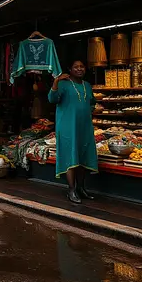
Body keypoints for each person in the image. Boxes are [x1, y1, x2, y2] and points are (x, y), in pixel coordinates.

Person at [48, 60, 98, 204]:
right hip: (67, 126)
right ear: (70, 69)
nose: (79, 69)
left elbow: (92, 102)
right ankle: (71, 189)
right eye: (76, 67)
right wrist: (56, 81)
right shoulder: (63, 84)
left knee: (82, 155)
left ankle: (81, 188)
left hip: (84, 126)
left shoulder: (87, 85)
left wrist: (90, 111)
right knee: (71, 155)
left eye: (82, 66)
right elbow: (52, 99)